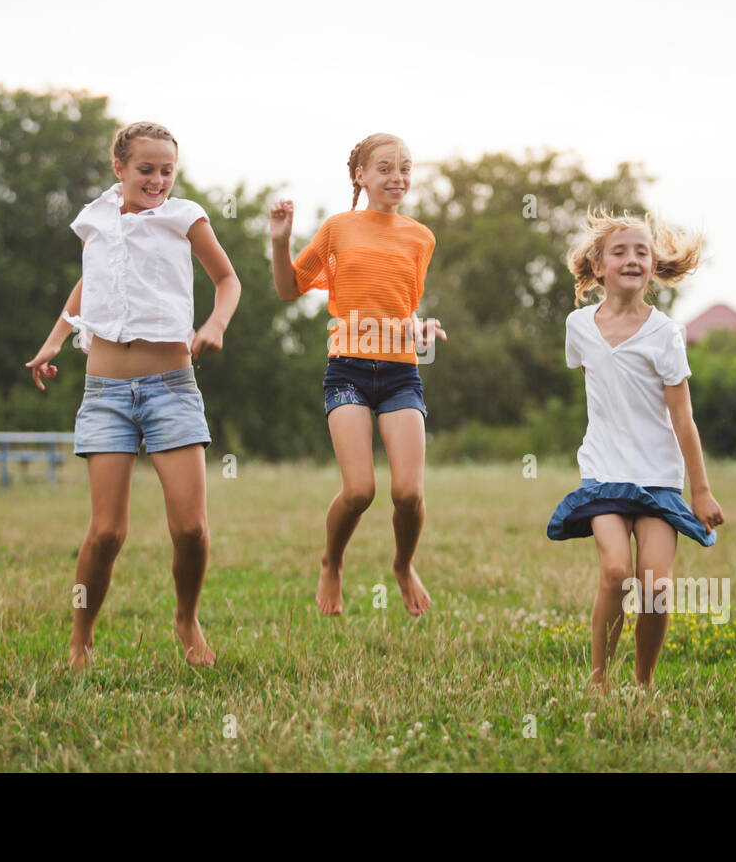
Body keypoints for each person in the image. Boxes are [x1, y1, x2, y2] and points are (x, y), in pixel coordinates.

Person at [25, 121, 240, 670]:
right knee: (106, 531)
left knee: (190, 527)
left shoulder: (183, 218)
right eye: (146, 169)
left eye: (167, 170)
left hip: (171, 388)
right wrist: (53, 343)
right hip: (106, 394)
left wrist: (215, 325)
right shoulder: (95, 218)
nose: (158, 180)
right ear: (119, 168)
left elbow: (227, 281)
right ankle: (80, 639)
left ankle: (186, 619)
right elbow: (87, 285)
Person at [269, 133, 446, 617]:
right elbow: (288, 289)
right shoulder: (338, 229)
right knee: (360, 491)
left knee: (408, 493)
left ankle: (404, 565)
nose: (397, 177)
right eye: (385, 167)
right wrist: (280, 239)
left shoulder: (421, 237)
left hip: (400, 372)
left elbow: (399, 308)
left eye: (405, 168)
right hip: (346, 370)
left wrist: (420, 327)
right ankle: (332, 562)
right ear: (360, 176)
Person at [546, 209, 724, 691]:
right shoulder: (578, 327)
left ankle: (643, 681)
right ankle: (599, 680)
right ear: (598, 266)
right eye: (619, 251)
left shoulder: (666, 333)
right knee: (616, 571)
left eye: (641, 251)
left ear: (653, 265)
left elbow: (683, 418)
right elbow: (599, 387)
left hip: (659, 478)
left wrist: (702, 492)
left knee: (656, 587)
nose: (632, 258)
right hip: (603, 473)